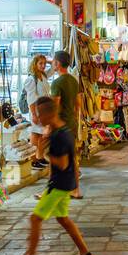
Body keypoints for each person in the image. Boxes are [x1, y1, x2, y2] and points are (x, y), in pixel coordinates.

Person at [4, 96, 94, 255]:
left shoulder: (59, 136)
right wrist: (75, 184)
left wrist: (43, 153)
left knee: (35, 219)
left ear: (47, 114)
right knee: (63, 219)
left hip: (59, 185)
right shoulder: (63, 131)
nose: (36, 118)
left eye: (38, 114)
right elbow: (73, 163)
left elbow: (61, 163)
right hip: (64, 183)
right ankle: (85, 254)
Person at [51, 50, 83, 198]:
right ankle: (76, 190)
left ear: (57, 63)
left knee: (53, 157)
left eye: (53, 61)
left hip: (61, 125)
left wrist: (50, 125)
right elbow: (78, 104)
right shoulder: (73, 80)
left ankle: (52, 191)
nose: (52, 63)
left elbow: (55, 106)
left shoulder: (57, 83)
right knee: (73, 158)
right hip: (72, 123)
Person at [24, 54, 52, 169]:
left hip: (43, 111)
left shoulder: (43, 75)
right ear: (35, 64)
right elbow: (30, 99)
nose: (43, 66)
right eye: (40, 63)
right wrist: (34, 114)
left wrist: (49, 61)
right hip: (36, 111)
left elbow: (54, 67)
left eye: (44, 63)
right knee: (35, 135)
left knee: (41, 135)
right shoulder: (31, 79)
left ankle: (39, 157)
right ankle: (33, 160)